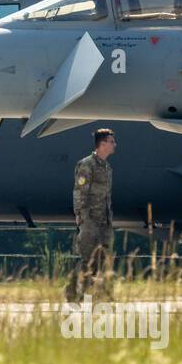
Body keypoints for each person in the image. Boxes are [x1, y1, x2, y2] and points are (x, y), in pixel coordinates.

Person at [69, 128, 116, 301]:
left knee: (103, 260)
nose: (114, 144)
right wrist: (82, 218)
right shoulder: (87, 165)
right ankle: (73, 292)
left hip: (104, 221)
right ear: (102, 144)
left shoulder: (107, 167)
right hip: (90, 221)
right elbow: (80, 192)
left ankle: (101, 295)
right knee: (87, 259)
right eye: (111, 141)